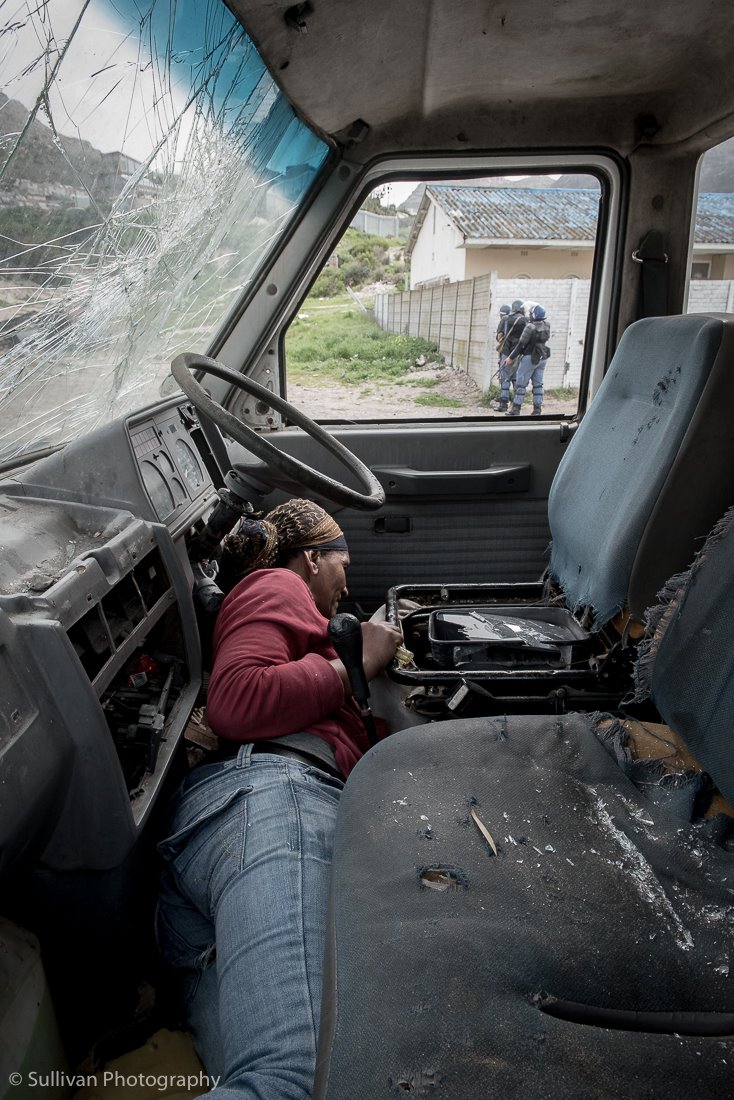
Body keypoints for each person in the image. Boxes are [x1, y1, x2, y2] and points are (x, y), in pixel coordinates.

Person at [156, 498, 402, 1100]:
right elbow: (236, 699)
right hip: (269, 805)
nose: (347, 587)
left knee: (274, 1078)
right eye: (344, 565)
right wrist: (351, 668)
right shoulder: (277, 586)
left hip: (231, 837)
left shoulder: (297, 615)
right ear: (313, 560)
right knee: (300, 1083)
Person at [503, 303, 551, 416]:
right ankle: (537, 410)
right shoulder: (547, 325)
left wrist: (510, 358)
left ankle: (516, 409)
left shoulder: (530, 327)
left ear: (533, 315)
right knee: (538, 384)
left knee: (521, 384)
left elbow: (521, 345)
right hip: (542, 357)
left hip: (530, 357)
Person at [494, 299, 527, 412]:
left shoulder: (505, 319)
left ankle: (503, 404)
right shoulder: (526, 320)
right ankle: (516, 406)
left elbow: (499, 336)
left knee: (505, 377)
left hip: (507, 353)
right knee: (517, 378)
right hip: (520, 353)